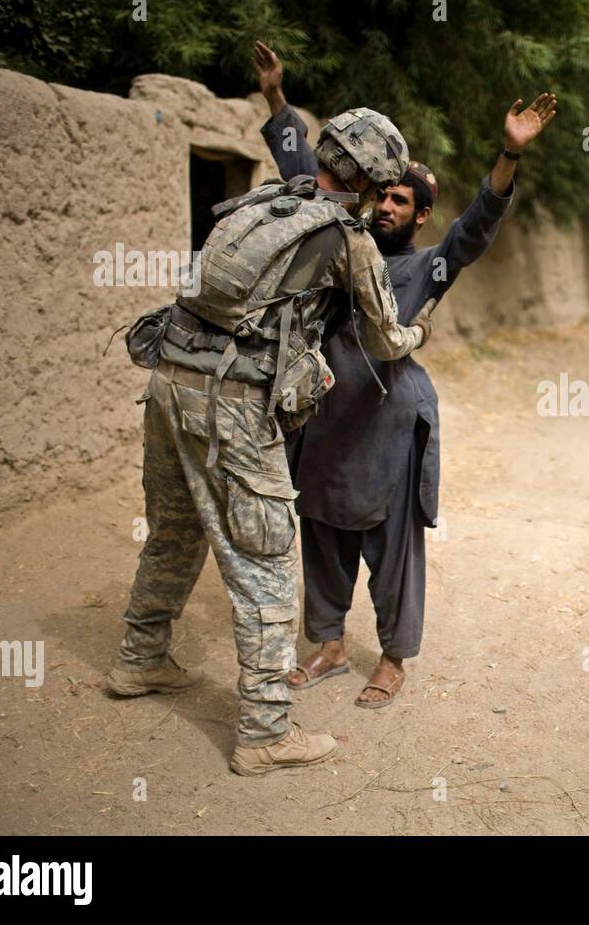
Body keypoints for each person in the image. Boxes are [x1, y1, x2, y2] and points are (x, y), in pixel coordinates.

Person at [105, 104, 431, 775]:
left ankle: (139, 660)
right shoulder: (349, 239)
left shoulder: (258, 204)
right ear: (373, 181)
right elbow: (382, 337)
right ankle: (262, 732)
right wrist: (418, 336)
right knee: (267, 559)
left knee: (174, 528)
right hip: (231, 401)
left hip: (169, 379)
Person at [251, 41, 556, 708]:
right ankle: (329, 645)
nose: (385, 206)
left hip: (387, 424)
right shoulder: (339, 240)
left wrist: (510, 153)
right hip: (326, 419)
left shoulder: (427, 269)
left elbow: (475, 229)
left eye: (400, 201)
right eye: (381, 194)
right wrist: (277, 97)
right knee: (322, 533)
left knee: (392, 548)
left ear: (420, 216)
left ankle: (391, 659)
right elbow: (307, 171)